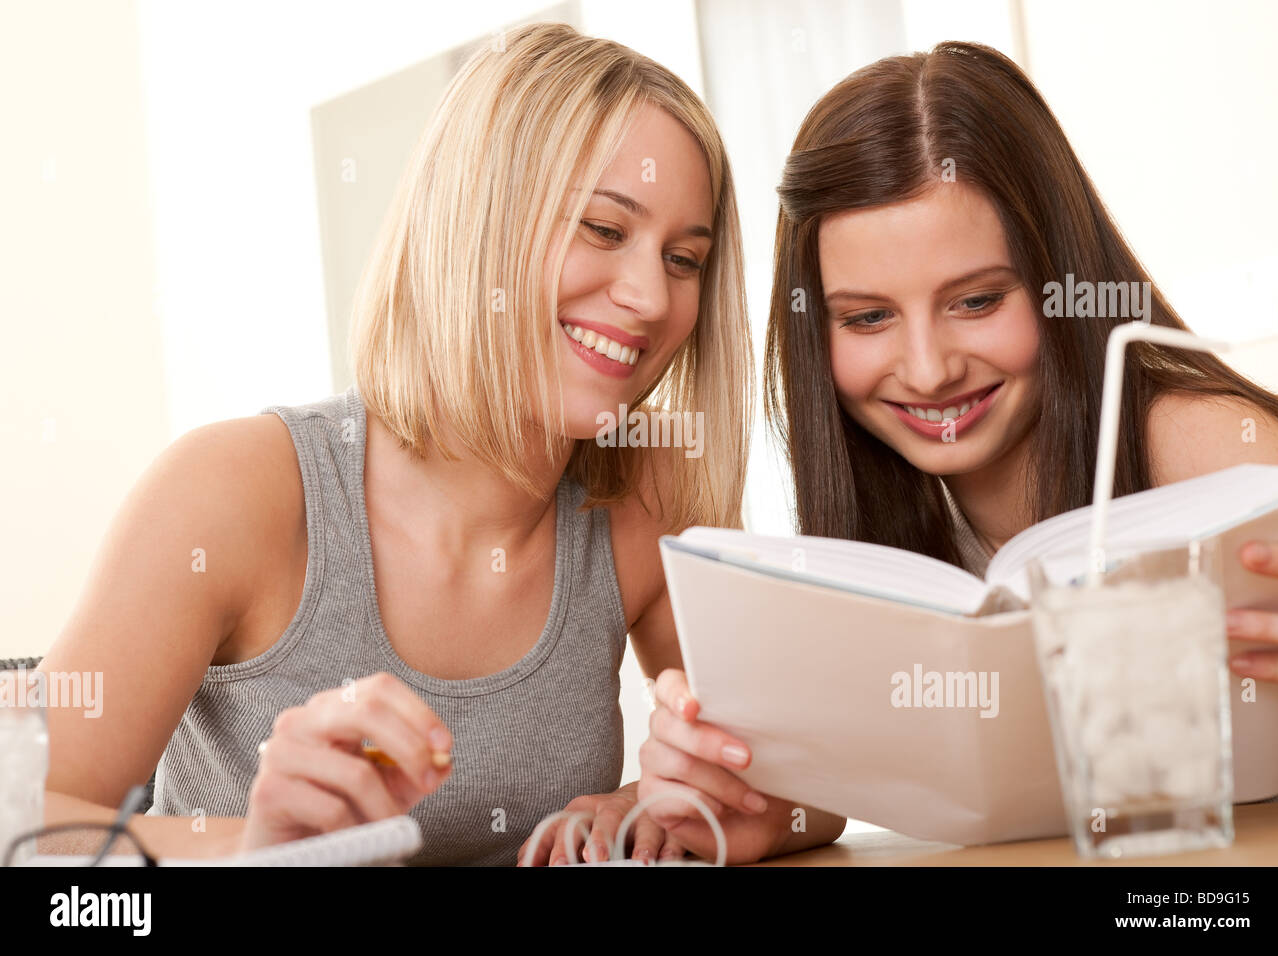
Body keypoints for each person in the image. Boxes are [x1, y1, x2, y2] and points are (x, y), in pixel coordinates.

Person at [36, 22, 754, 866]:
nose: (647, 297)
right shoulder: (233, 490)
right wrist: (259, 851)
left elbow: (792, 787)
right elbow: (21, 825)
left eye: (683, 259)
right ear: (475, 225)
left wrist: (649, 805)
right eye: (603, 229)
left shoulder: (652, 496)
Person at [637, 41, 1278, 863]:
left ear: (1058, 275)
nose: (928, 370)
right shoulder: (876, 532)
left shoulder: (1210, 454)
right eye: (867, 318)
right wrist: (761, 805)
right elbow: (852, 804)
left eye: (977, 300)